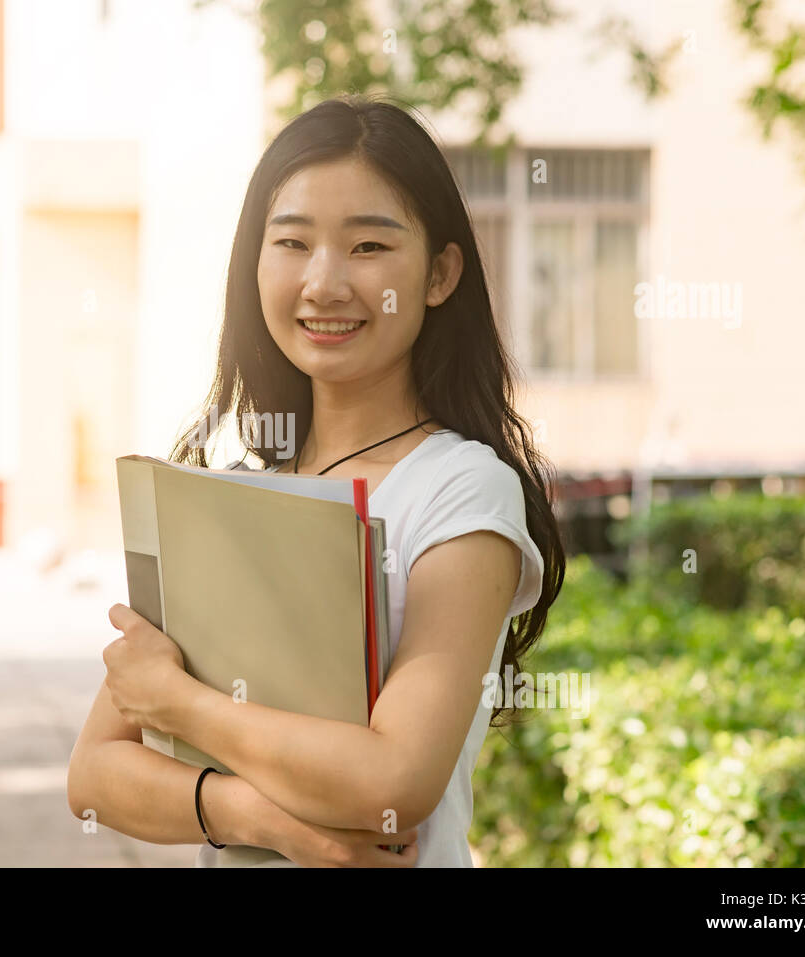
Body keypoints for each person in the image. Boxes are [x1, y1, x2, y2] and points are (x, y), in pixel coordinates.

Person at [67, 94, 565, 867]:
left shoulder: (462, 491)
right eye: (293, 242)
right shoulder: (225, 495)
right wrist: (255, 816)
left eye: (369, 247)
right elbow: (94, 776)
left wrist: (180, 705)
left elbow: (394, 778)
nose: (324, 283)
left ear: (440, 273)